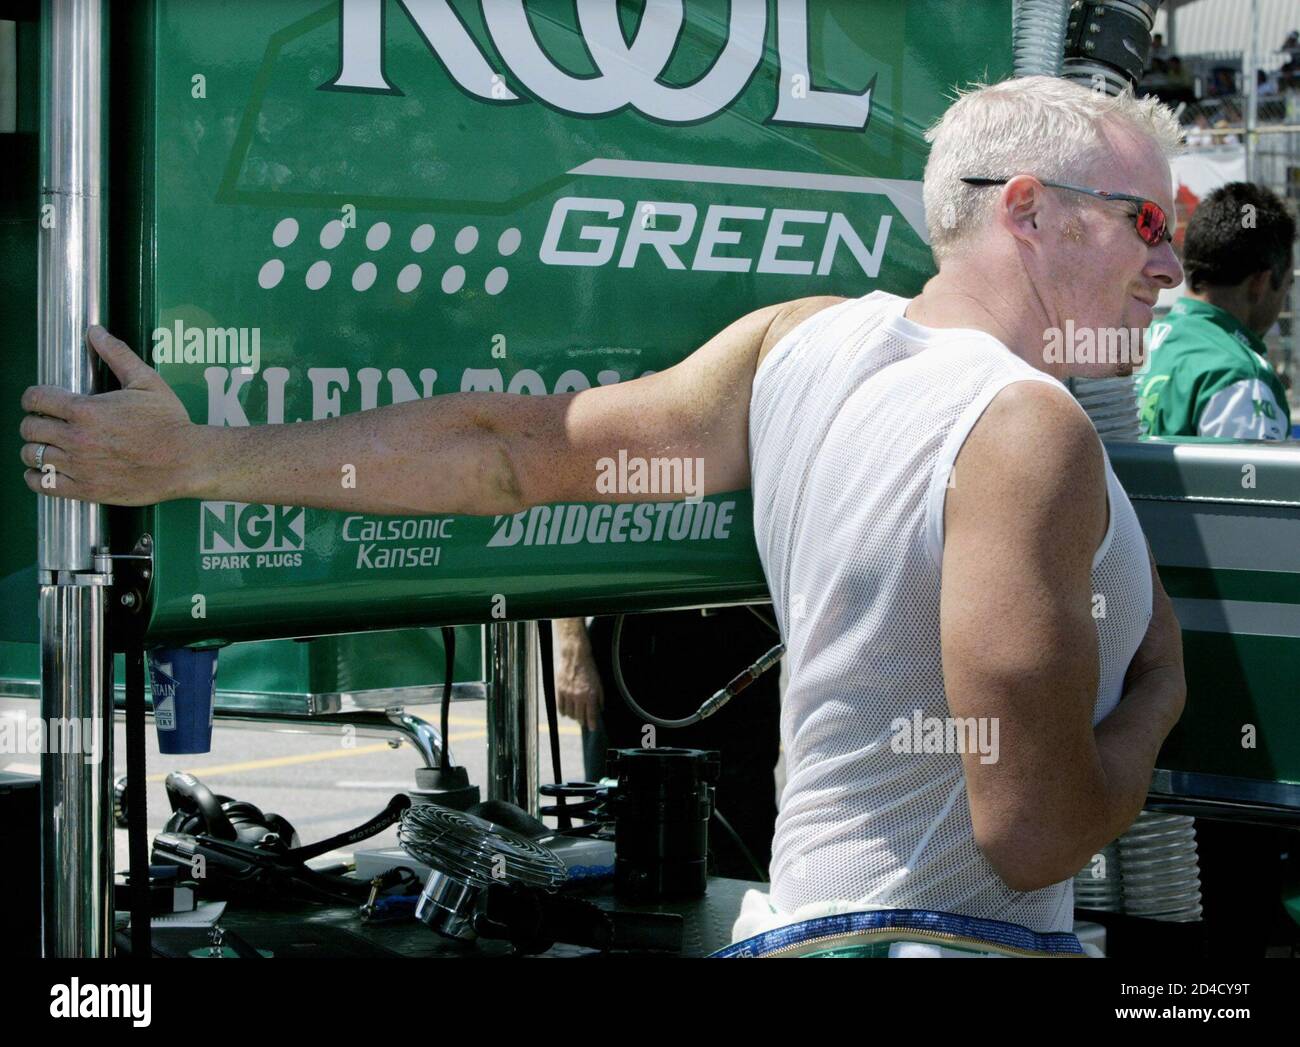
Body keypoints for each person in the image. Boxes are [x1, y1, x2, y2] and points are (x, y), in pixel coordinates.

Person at [19, 76, 1187, 949]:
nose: (1170, 265)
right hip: (949, 941)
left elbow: (504, 457)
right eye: (1146, 221)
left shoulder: (805, 346)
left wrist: (197, 458)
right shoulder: (1028, 424)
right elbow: (1033, 832)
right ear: (1026, 210)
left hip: (807, 930)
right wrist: (1156, 703)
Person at [554, 608, 782, 881]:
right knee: (620, 827)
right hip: (633, 640)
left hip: (738, 633)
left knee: (743, 827)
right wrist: (573, 646)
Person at [1138, 182, 1295, 441]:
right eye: (1287, 286)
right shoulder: (1241, 376)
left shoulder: (1132, 345)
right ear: (1260, 283)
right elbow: (1252, 472)